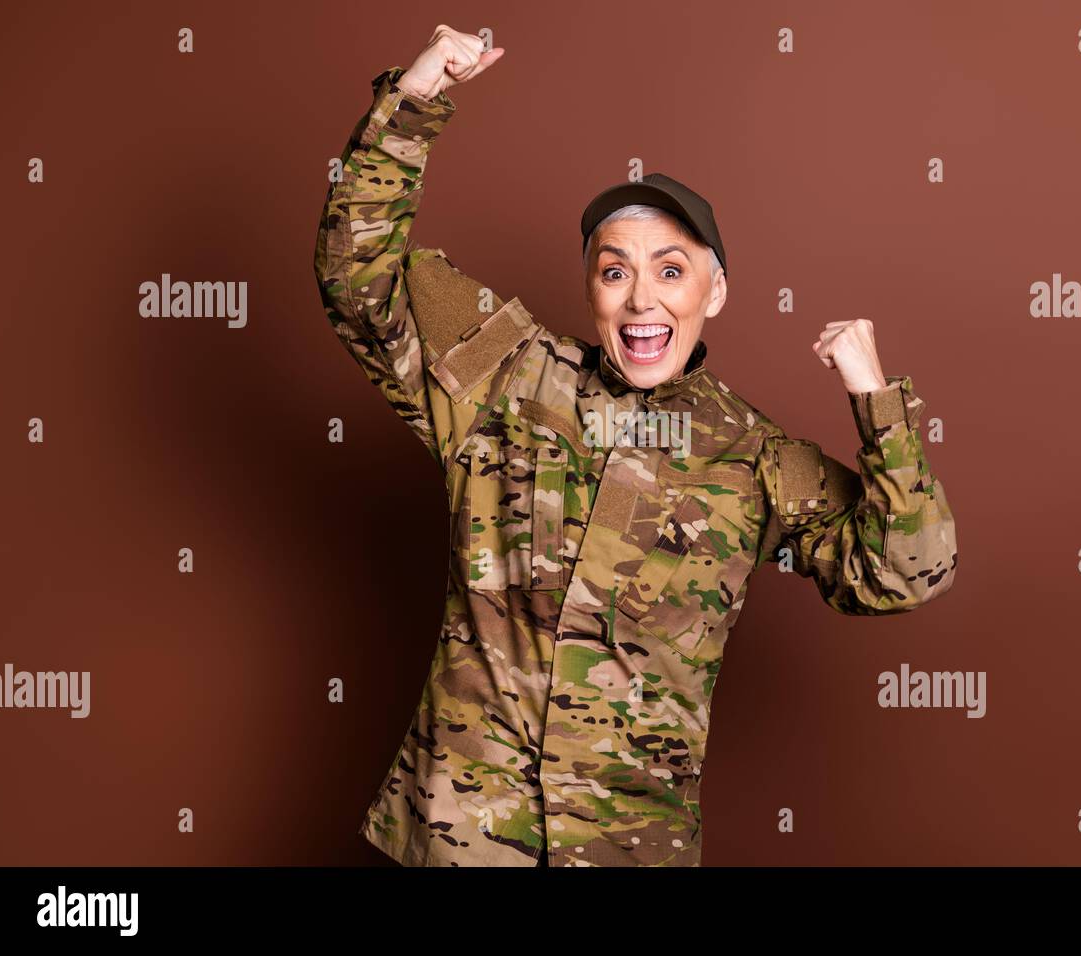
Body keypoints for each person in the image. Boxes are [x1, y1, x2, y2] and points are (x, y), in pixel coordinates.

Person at [312, 24, 958, 867]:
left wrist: (877, 401)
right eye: (614, 271)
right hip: (458, 843)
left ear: (714, 291)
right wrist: (417, 100)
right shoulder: (505, 376)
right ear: (591, 289)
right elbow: (357, 281)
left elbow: (907, 571)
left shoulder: (755, 460)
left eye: (671, 269)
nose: (641, 299)